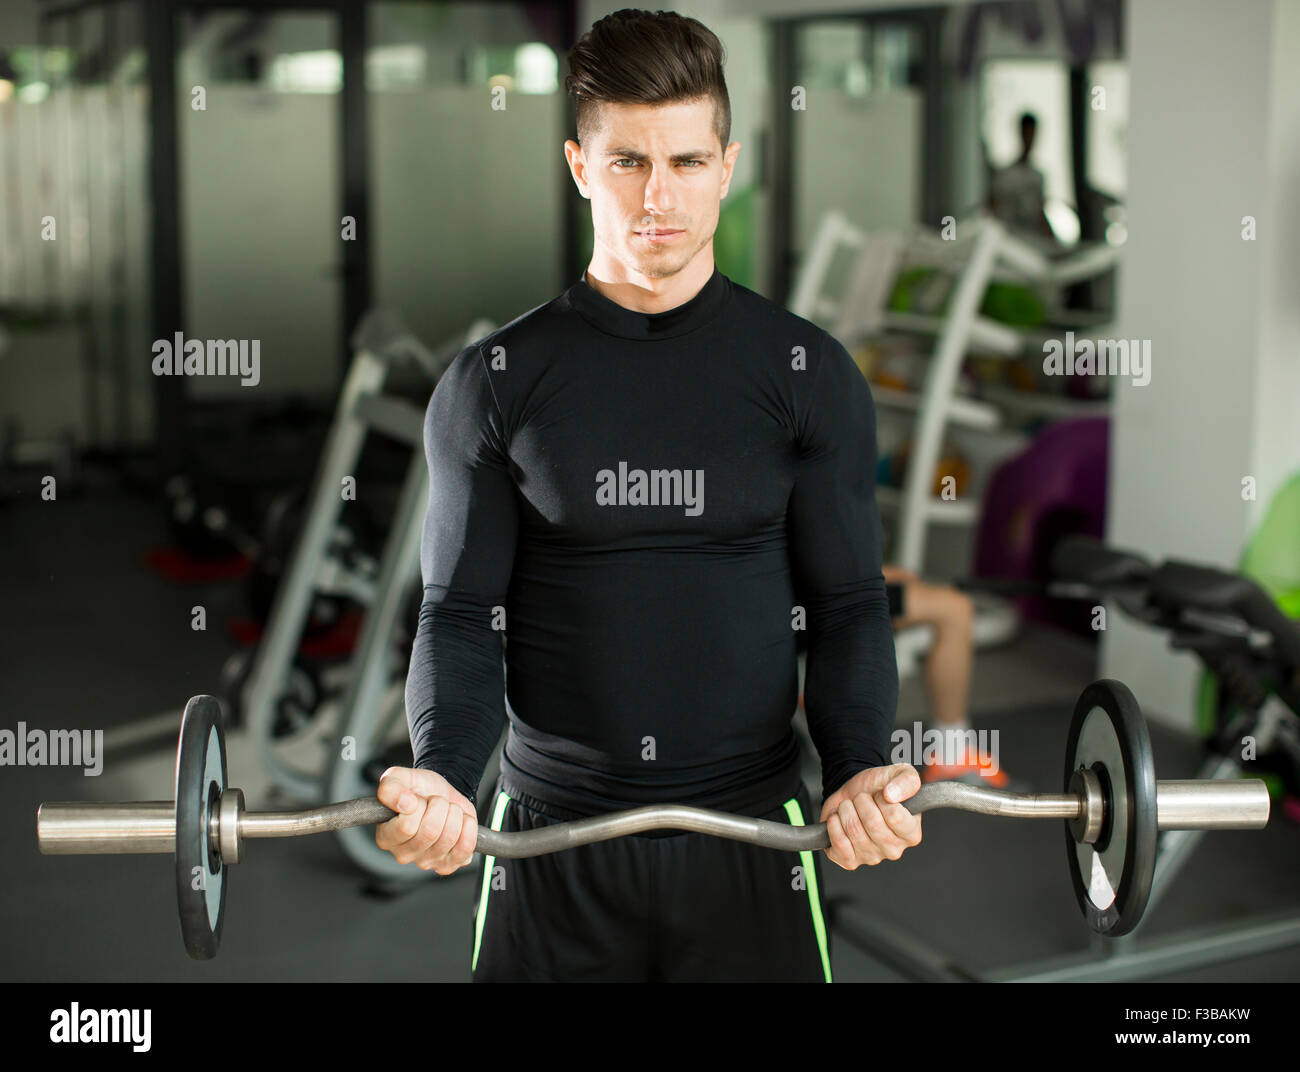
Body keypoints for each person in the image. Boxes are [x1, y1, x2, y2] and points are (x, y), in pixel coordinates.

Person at [375, 8, 920, 983]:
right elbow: (458, 611)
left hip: (757, 836)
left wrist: (855, 770)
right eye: (628, 161)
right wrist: (446, 779)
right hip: (548, 838)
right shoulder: (496, 381)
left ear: (727, 164)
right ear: (580, 166)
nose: (658, 196)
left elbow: (845, 604)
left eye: (686, 161)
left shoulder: (806, 373)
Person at [797, 566, 1010, 788]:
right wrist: (874, 572)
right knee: (953, 608)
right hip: (800, 601)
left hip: (804, 593)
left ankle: (812, 689)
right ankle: (952, 755)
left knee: (922, 592)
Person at [985, 112, 1056, 245]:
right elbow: (990, 209)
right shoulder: (1004, 176)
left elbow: (1040, 213)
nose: (1029, 139)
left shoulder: (1037, 177)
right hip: (1008, 241)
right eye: (1027, 133)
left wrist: (1054, 241)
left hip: (1032, 242)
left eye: (1032, 134)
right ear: (1020, 133)